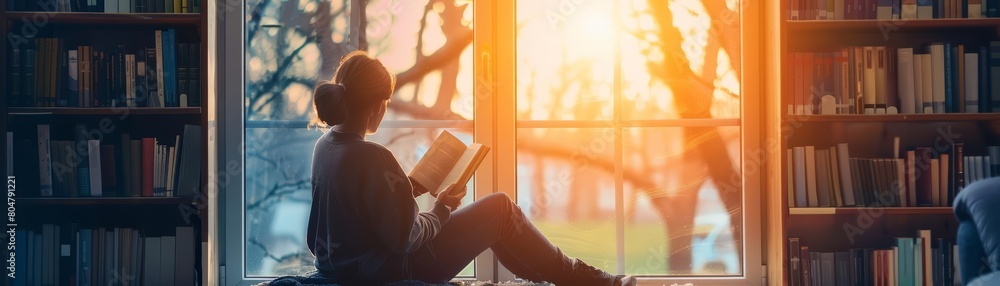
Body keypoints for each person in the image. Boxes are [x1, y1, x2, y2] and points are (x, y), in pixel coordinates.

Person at [307, 50, 637, 286]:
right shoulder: (373, 156)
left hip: (342, 269)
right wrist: (442, 209)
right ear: (378, 106)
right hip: (394, 269)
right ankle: (578, 277)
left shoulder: (325, 148)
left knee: (500, 214)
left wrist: (410, 187)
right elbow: (407, 239)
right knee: (501, 208)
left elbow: (359, 217)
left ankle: (566, 276)